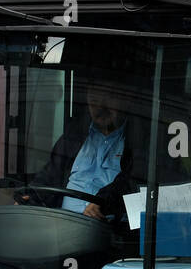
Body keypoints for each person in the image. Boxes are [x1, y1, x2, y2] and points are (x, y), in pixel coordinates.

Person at [22, 77, 137, 223]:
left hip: (109, 230)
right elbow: (51, 173)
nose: (100, 107)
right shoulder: (75, 134)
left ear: (126, 99)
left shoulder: (138, 139)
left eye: (109, 98)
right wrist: (31, 194)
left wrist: (104, 201)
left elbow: (134, 182)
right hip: (60, 222)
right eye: (94, 100)